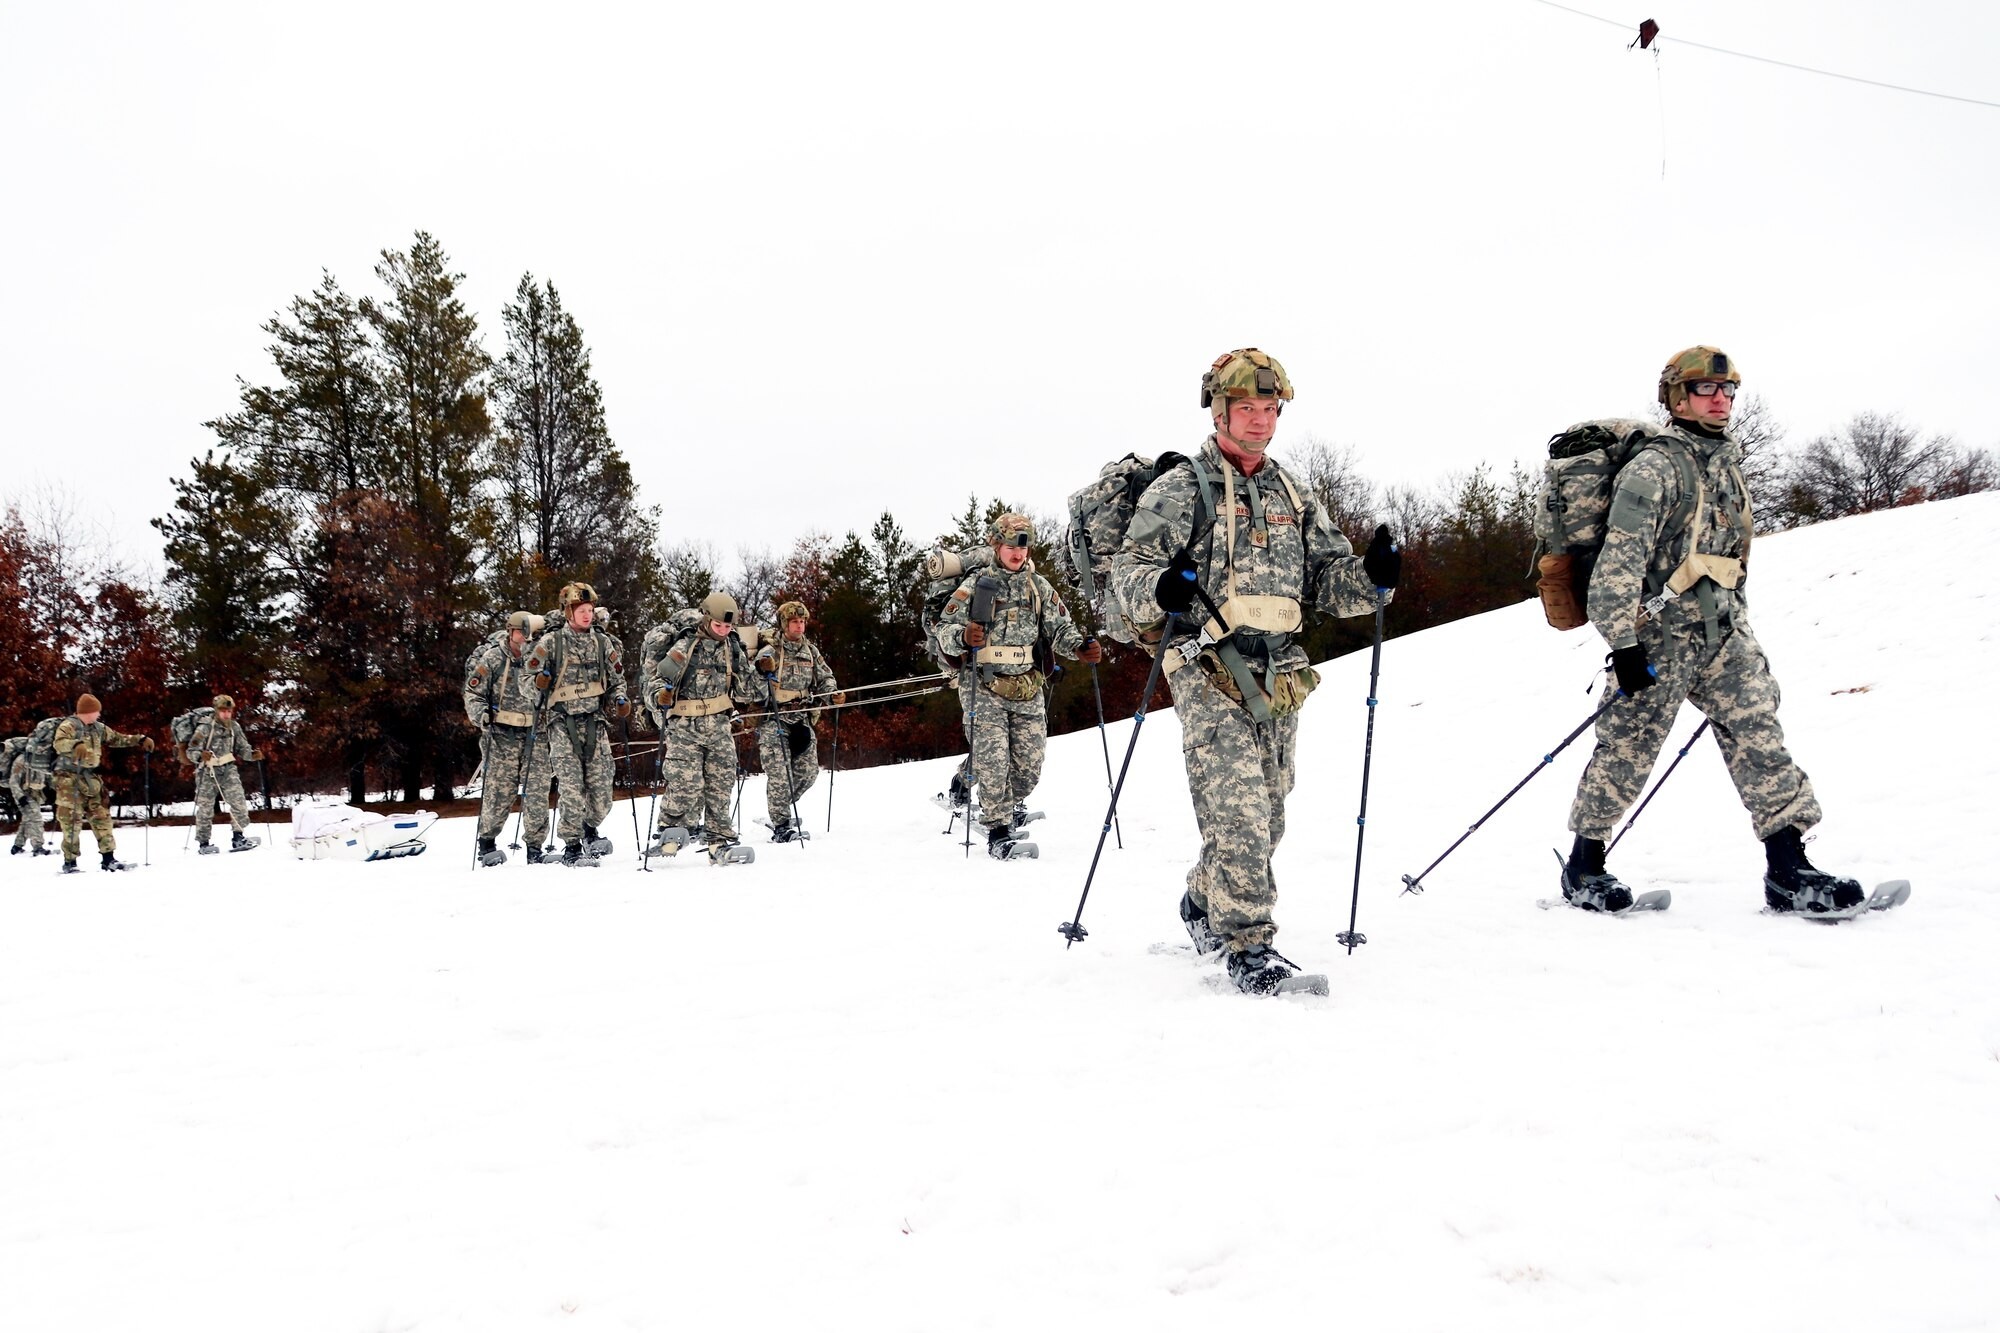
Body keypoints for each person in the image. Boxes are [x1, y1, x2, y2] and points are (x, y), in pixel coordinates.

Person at [1110, 348, 1399, 993]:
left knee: (1267, 811)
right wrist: (1162, 587)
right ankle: (1248, 945)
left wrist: (1373, 577)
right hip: (1207, 665)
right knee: (1237, 810)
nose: (1261, 421)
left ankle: (1201, 899)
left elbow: (1328, 581)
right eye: (1248, 409)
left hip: (1282, 671)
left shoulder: (1293, 492)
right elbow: (1125, 582)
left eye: (1270, 409)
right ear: (1220, 411)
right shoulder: (1181, 488)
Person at [1561, 347, 1862, 916]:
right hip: (1659, 638)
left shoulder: (1726, 463)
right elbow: (1616, 568)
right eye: (1705, 390)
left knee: (1760, 736)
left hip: (1723, 633)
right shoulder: (1653, 469)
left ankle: (1788, 868)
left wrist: (1737, 619)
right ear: (1677, 397)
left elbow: (1729, 553)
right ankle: (1584, 866)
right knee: (1627, 750)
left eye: (1727, 391)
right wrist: (1624, 646)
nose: (1721, 399)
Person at [936, 513, 1100, 860]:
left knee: (1028, 768)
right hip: (983, 684)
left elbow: (1061, 628)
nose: (1017, 553)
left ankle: (987, 795)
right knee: (994, 764)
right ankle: (998, 828)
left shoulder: (1038, 587)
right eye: (1010, 545)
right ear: (997, 544)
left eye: (1022, 547)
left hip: (1026, 686)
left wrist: (1080, 648)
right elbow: (943, 630)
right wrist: (963, 636)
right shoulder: (976, 586)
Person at [646, 591, 763, 864]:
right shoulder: (685, 645)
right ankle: (670, 832)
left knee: (721, 782)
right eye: (718, 625)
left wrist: (762, 670)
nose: (723, 631)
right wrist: (659, 697)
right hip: (685, 725)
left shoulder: (732, 647)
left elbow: (749, 689)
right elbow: (656, 680)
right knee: (685, 780)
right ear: (707, 619)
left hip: (719, 724)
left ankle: (718, 840)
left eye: (728, 627)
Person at [525, 583, 630, 867]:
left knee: (602, 791)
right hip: (562, 722)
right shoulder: (551, 643)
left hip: (595, 721)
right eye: (581, 610)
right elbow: (527, 684)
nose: (587, 615)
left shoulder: (602, 643)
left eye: (590, 610)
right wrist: (539, 685)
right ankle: (571, 845)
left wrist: (620, 698)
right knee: (571, 786)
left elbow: (617, 678)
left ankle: (588, 829)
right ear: (568, 611)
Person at [753, 600, 841, 842]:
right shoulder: (770, 651)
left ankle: (778, 804)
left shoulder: (810, 651)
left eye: (802, 622)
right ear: (784, 624)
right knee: (780, 774)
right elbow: (750, 688)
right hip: (775, 719)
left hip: (801, 718)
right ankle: (780, 822)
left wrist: (832, 693)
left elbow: (825, 677)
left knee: (808, 772)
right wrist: (763, 672)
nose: (799, 626)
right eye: (794, 622)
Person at [463, 611, 545, 866]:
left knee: (537, 790)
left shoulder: (539, 657)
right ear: (510, 632)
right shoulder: (493, 658)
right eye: (521, 632)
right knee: (500, 791)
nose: (525, 638)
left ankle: (535, 846)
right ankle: (487, 842)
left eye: (529, 633)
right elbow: (473, 692)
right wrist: (481, 715)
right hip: (501, 734)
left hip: (534, 732)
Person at [51, 692, 155, 873]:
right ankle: (70, 862)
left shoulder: (98, 728)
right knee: (71, 823)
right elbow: (59, 743)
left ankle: (109, 859)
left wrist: (139, 739)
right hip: (68, 780)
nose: (99, 714)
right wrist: (75, 745)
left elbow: (117, 738)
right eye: (97, 711)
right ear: (88, 711)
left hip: (90, 780)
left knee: (102, 818)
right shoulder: (68, 726)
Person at [183, 695, 265, 854]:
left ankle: (238, 836)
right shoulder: (204, 728)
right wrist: (201, 756)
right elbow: (191, 751)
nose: (226, 714)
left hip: (228, 769)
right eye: (223, 711)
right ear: (216, 711)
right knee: (205, 808)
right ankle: (204, 843)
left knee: (238, 802)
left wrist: (252, 755)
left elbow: (243, 748)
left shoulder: (234, 727)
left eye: (229, 711)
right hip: (207, 772)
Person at [7, 734, 53, 856]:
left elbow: (47, 776)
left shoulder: (42, 760)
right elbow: (13, 781)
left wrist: (54, 789)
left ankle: (17, 846)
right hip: (24, 794)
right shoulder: (22, 760)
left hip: (36, 793)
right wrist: (20, 797)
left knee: (28, 819)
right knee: (36, 819)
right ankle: (38, 846)